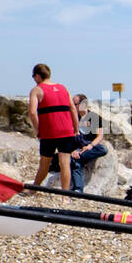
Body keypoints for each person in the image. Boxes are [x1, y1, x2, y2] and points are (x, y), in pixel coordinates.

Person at [28, 63, 79, 191]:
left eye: (33, 77)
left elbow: (32, 112)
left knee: (44, 163)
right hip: (66, 131)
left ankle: (34, 189)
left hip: (49, 132)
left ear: (38, 76)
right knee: (65, 164)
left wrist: (37, 130)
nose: (34, 80)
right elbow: (73, 108)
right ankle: (65, 195)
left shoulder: (37, 90)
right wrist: (76, 128)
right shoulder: (63, 88)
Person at [68, 93, 107, 193]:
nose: (71, 106)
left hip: (90, 146)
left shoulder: (93, 117)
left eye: (74, 104)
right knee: (75, 161)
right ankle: (78, 189)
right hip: (76, 147)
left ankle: (81, 155)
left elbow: (100, 136)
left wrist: (90, 146)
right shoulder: (72, 118)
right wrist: (72, 150)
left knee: (103, 149)